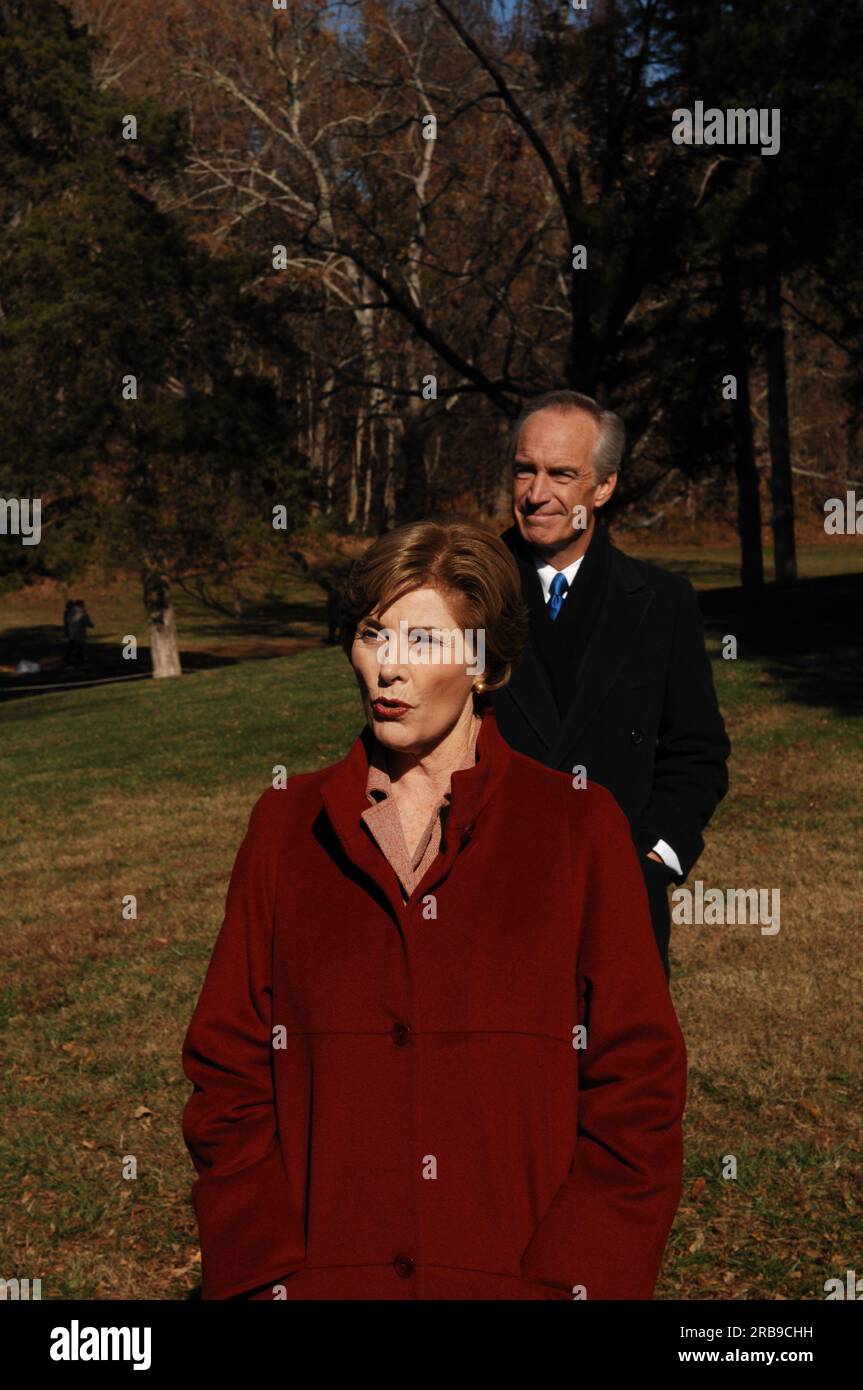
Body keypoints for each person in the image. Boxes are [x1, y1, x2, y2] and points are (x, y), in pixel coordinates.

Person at [181, 516, 687, 1301]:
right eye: (372, 635)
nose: (387, 668)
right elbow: (226, 1069)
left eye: (422, 643)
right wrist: (261, 1274)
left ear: (488, 667)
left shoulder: (578, 825)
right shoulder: (286, 824)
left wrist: (577, 1281)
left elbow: (638, 1084)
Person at [491, 391, 731, 979]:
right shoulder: (462, 593)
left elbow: (697, 754)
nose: (536, 493)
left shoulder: (663, 602)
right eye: (525, 469)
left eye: (561, 474)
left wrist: (652, 861)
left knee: (620, 1069)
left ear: (602, 488)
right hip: (483, 902)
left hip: (618, 906)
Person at [63, 599, 94, 668]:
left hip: (72, 631)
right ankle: (80, 658)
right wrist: (91, 625)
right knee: (80, 645)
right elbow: (87, 622)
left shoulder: (70, 612)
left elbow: (68, 622)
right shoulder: (81, 612)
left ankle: (69, 658)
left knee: (73, 644)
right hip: (79, 632)